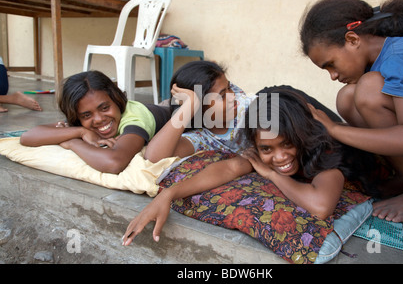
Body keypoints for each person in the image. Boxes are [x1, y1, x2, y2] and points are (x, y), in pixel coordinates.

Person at [122, 86, 383, 245]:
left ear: (301, 137)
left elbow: (320, 207)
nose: (279, 157)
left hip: (379, 173)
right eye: (267, 149)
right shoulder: (258, 148)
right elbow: (227, 169)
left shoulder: (323, 151)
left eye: (287, 144)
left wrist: (271, 173)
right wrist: (169, 194)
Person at [299, 0, 403, 223]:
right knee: (347, 98)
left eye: (331, 64)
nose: (333, 76)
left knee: (369, 89)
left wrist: (335, 129)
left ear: (352, 39)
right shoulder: (385, 60)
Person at [20, 70, 170, 174]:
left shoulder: (134, 119)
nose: (98, 119)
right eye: (86, 115)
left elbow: (115, 163)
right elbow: (27, 137)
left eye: (104, 108)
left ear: (116, 100)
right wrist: (80, 131)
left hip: (182, 116)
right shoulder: (83, 122)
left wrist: (73, 142)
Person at [144, 60, 255, 162]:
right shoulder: (202, 139)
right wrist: (190, 103)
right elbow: (153, 157)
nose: (232, 96)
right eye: (222, 96)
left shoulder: (248, 107)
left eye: (229, 87)